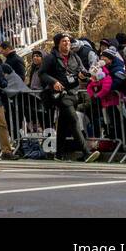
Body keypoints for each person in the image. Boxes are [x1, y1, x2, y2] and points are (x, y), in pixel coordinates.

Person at [38, 33, 99, 163]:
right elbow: (41, 73)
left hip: (73, 93)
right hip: (60, 95)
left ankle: (59, 154)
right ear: (58, 44)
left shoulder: (75, 57)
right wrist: (53, 82)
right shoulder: (51, 58)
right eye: (64, 41)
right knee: (74, 120)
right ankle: (86, 152)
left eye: (68, 41)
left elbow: (82, 71)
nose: (67, 43)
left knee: (63, 124)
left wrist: (84, 76)